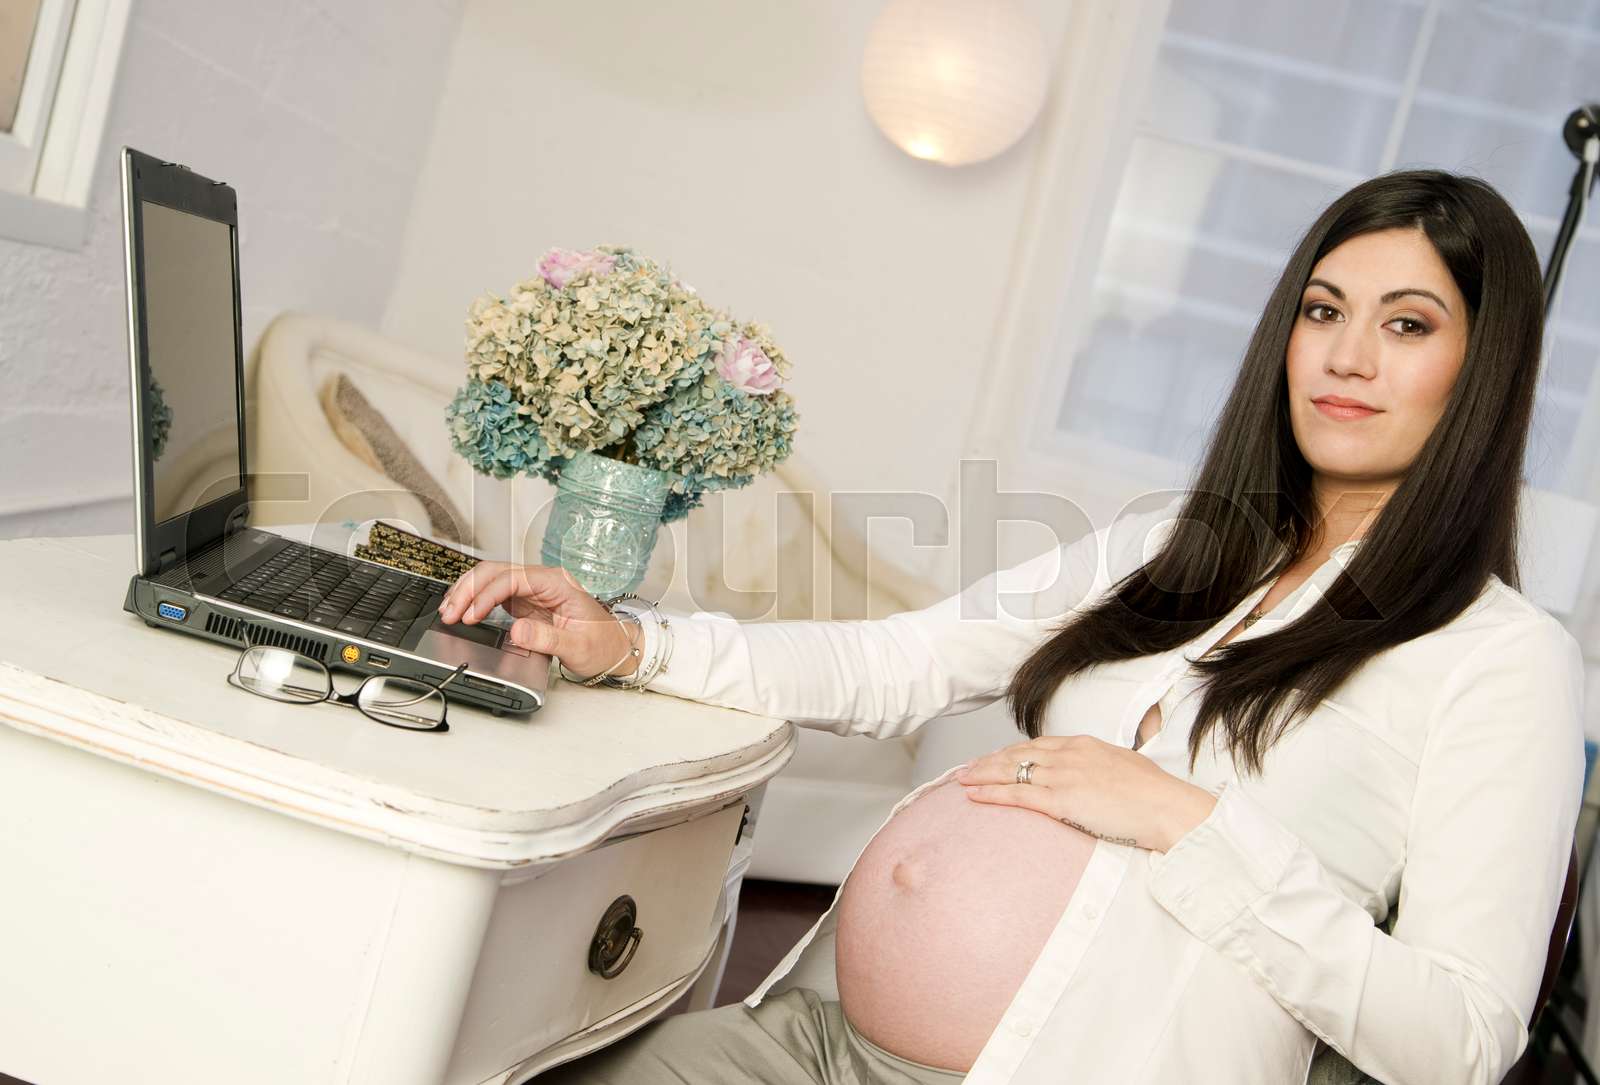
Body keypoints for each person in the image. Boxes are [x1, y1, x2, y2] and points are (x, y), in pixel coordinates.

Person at [437, 169, 1586, 1085]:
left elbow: (1461, 1039)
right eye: (1323, 311)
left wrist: (1187, 822)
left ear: (1479, 369)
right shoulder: (1175, 543)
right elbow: (911, 657)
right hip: (821, 1035)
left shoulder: (1504, 660)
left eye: (1407, 324)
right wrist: (634, 641)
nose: (1346, 355)